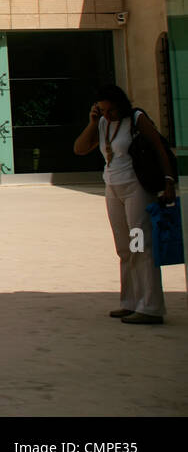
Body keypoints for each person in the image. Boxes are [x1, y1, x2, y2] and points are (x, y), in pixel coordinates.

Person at [73, 84, 178, 325]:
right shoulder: (101, 124)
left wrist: (168, 181)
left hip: (136, 187)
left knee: (141, 245)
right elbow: (79, 149)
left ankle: (151, 307)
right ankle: (130, 302)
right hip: (113, 187)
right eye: (103, 110)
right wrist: (93, 122)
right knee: (124, 248)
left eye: (111, 110)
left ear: (121, 104)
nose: (108, 115)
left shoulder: (136, 119)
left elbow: (159, 148)